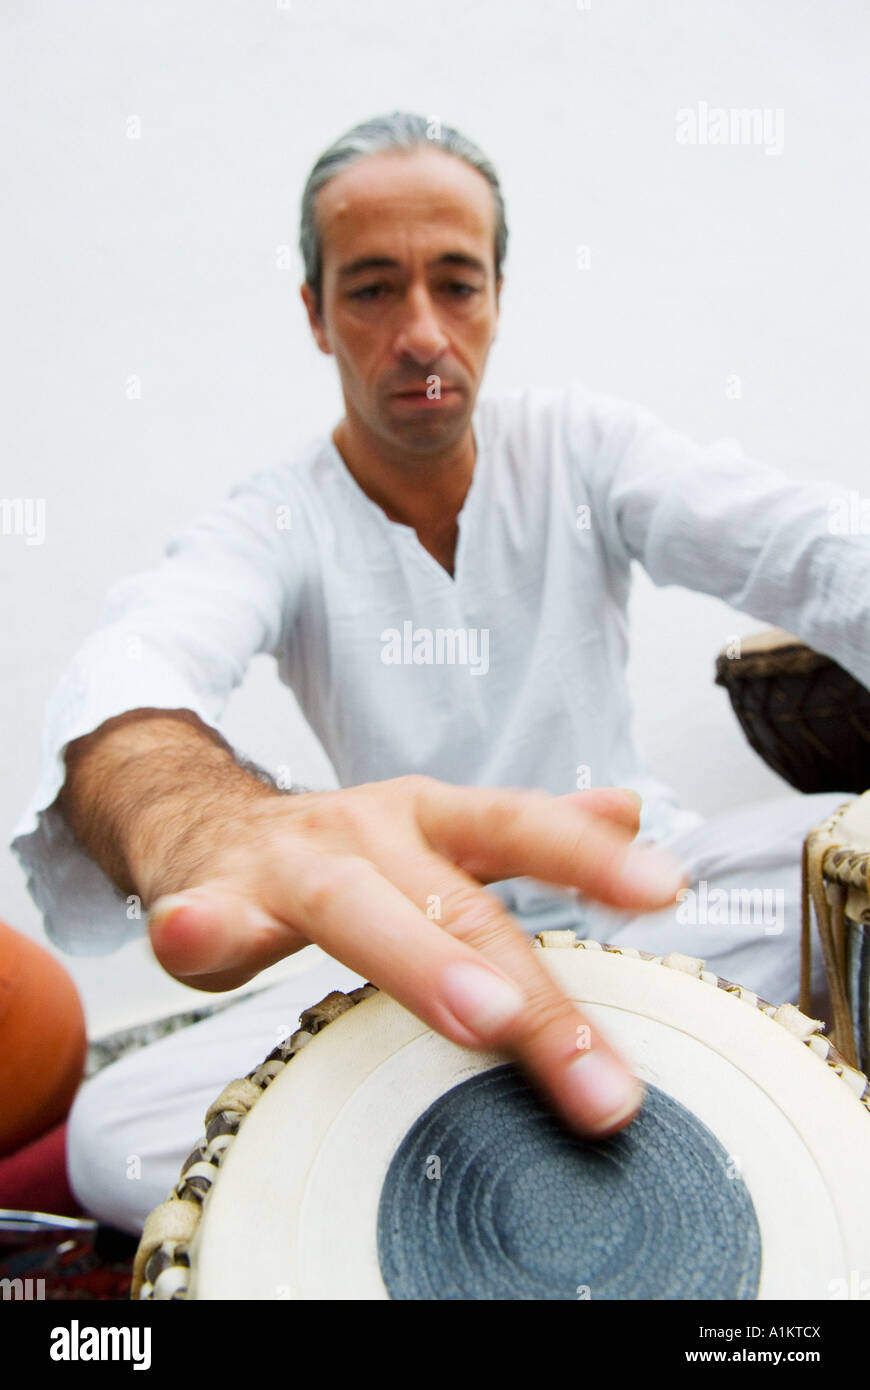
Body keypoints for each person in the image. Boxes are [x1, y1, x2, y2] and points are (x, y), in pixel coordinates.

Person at [10, 112, 869, 1235]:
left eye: (455, 283)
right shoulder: (275, 520)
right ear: (316, 314)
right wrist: (206, 822)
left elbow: (806, 547)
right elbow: (133, 671)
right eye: (371, 289)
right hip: (421, 964)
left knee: (821, 859)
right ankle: (612, 1081)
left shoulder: (585, 446)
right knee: (116, 1130)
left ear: (498, 298)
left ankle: (511, 1109)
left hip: (655, 899)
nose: (421, 332)